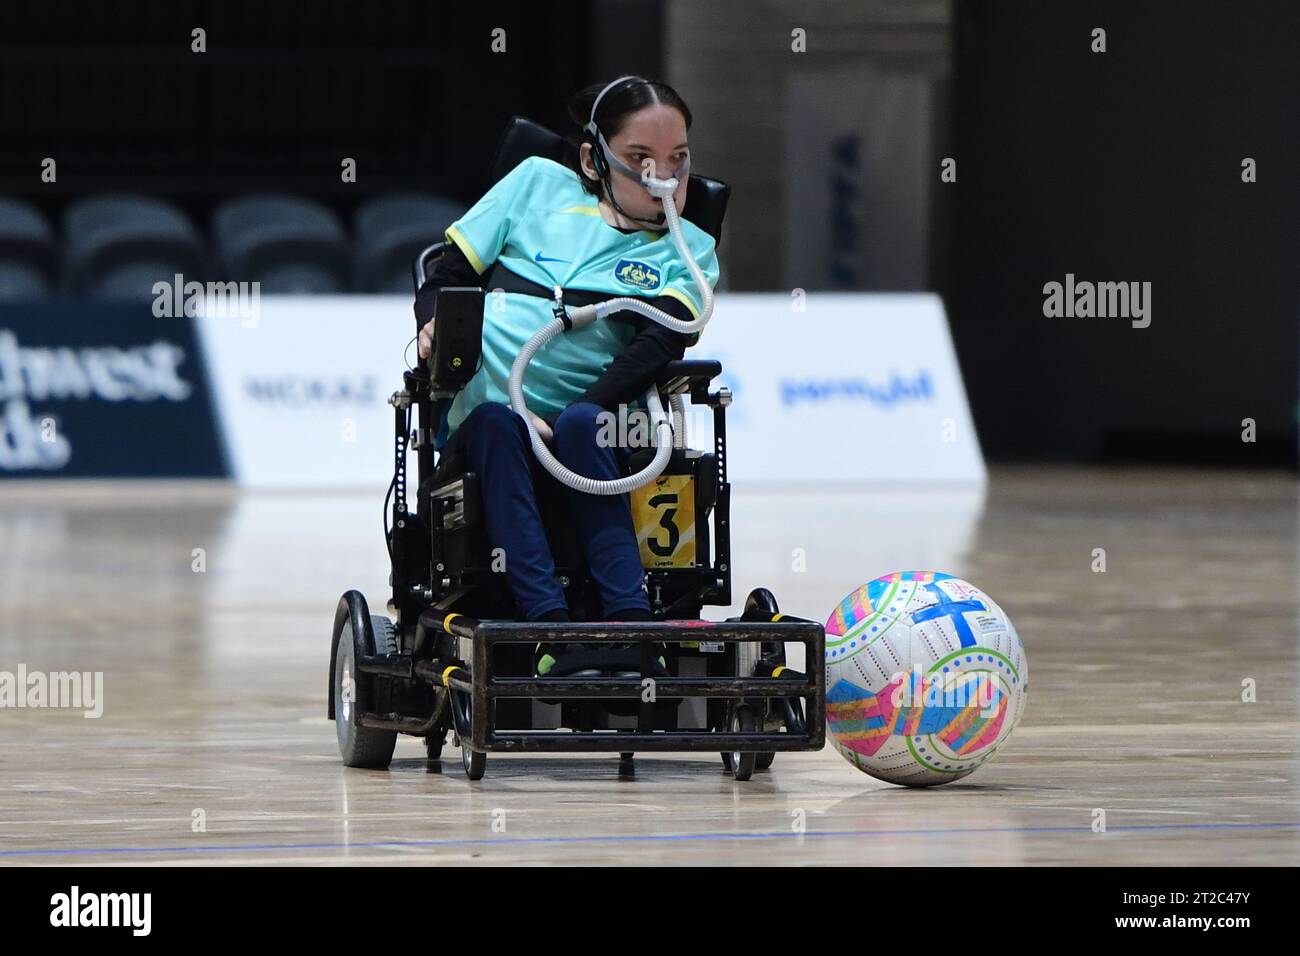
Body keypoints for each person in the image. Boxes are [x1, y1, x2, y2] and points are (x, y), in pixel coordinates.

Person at [416, 76, 719, 676]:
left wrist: (578, 409)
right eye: (640, 159)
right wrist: (432, 326)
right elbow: (447, 275)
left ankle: (632, 627)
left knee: (586, 425)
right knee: (502, 425)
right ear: (593, 158)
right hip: (488, 421)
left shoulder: (690, 251)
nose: (663, 177)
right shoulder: (536, 184)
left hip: (600, 429)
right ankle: (543, 626)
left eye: (677, 161)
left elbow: (664, 340)